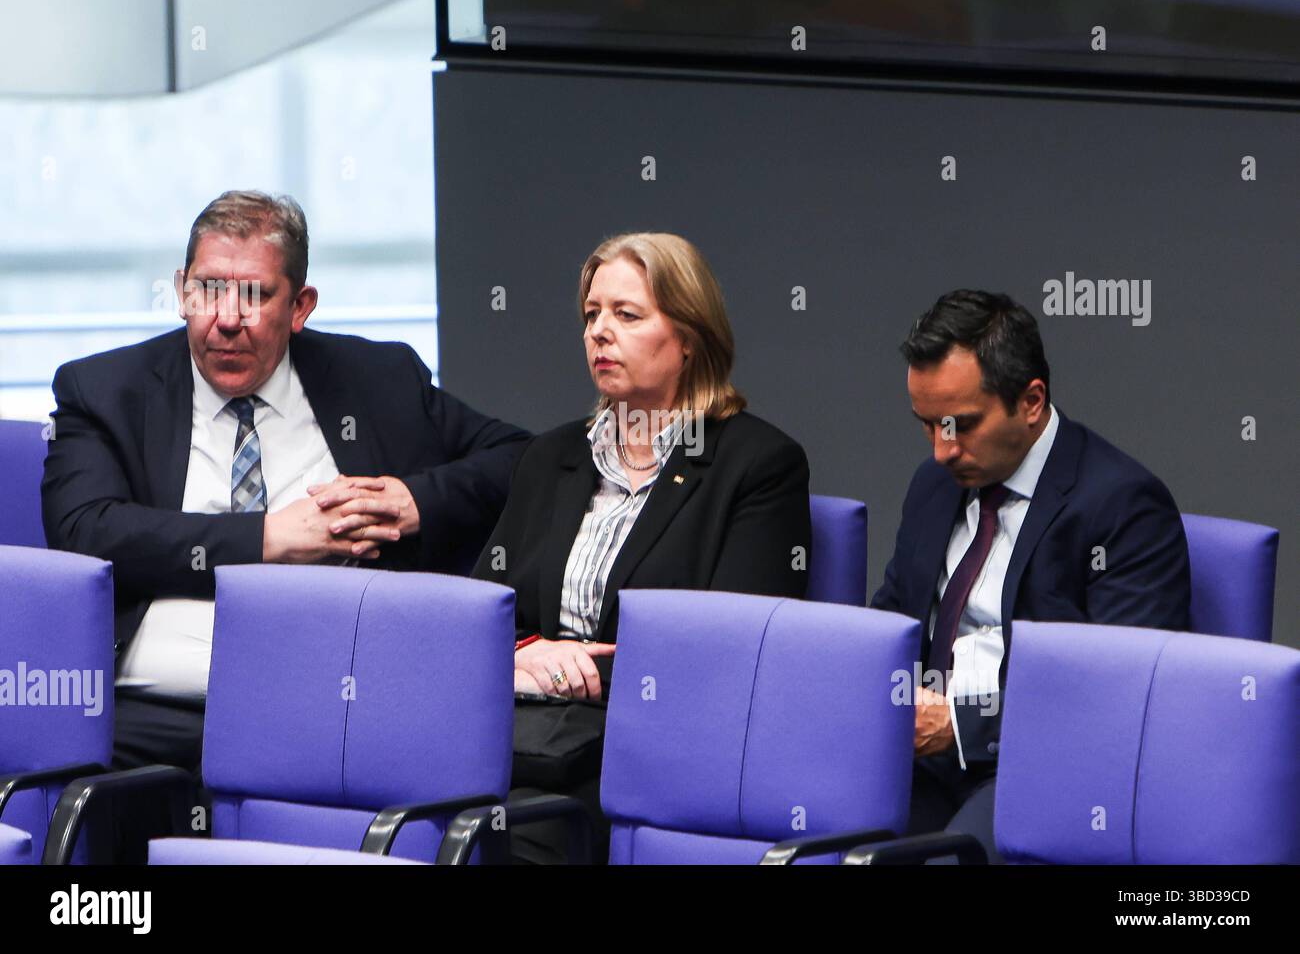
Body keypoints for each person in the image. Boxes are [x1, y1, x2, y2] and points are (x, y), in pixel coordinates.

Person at [42, 190, 529, 776]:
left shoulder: (377, 381)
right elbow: (84, 530)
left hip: (338, 702)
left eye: (253, 294)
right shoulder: (107, 390)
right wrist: (269, 538)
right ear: (180, 292)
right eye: (208, 289)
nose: (226, 318)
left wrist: (413, 501)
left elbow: (518, 457)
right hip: (158, 710)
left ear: (300, 306)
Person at [474, 232, 811, 863]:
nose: (600, 332)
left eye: (627, 315)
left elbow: (734, 651)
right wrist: (527, 651)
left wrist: (582, 670)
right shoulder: (551, 458)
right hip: (521, 738)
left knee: (505, 840)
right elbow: (476, 615)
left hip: (651, 747)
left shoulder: (759, 465)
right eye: (591, 315)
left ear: (689, 338)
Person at [872, 289, 1190, 862]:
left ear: (1031, 401)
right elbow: (890, 618)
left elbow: (1118, 695)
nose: (942, 450)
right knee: (814, 838)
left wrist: (961, 725)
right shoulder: (934, 486)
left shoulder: (1122, 505)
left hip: (1037, 766)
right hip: (919, 755)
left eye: (960, 425)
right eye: (927, 425)